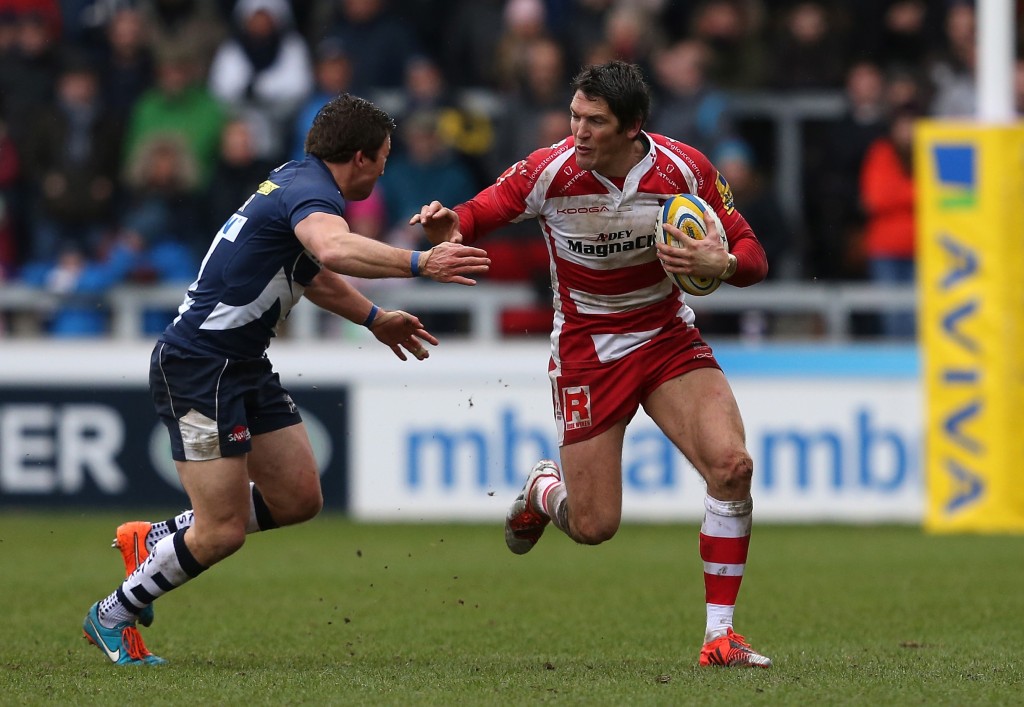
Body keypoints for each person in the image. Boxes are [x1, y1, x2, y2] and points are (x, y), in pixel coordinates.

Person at [81, 93, 491, 666]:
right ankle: (114, 611)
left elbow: (311, 272)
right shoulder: (312, 196)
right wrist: (420, 264)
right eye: (384, 157)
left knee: (299, 496)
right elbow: (332, 248)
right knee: (221, 531)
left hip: (242, 362)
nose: (384, 168)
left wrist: (374, 318)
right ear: (361, 157)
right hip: (199, 365)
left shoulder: (298, 182)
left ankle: (155, 540)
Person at [411, 61, 771, 668]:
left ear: (633, 128)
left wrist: (723, 261)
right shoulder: (548, 171)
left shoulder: (685, 170)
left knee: (732, 467)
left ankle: (720, 636)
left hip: (665, 339)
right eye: (575, 115)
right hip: (587, 351)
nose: (577, 130)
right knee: (594, 525)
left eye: (594, 121)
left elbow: (753, 254)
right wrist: (453, 224)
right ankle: (542, 489)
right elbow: (483, 209)